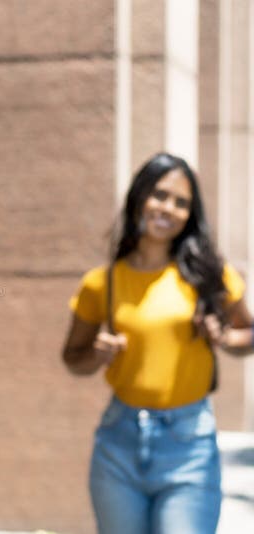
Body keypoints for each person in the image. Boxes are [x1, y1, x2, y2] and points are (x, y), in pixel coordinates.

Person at [62, 152, 254, 534]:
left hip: (189, 444)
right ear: (139, 199)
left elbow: (247, 336)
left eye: (182, 202)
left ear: (190, 214)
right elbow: (73, 358)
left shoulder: (209, 273)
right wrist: (98, 354)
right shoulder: (102, 283)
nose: (169, 207)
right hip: (119, 442)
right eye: (160, 195)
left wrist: (223, 335)